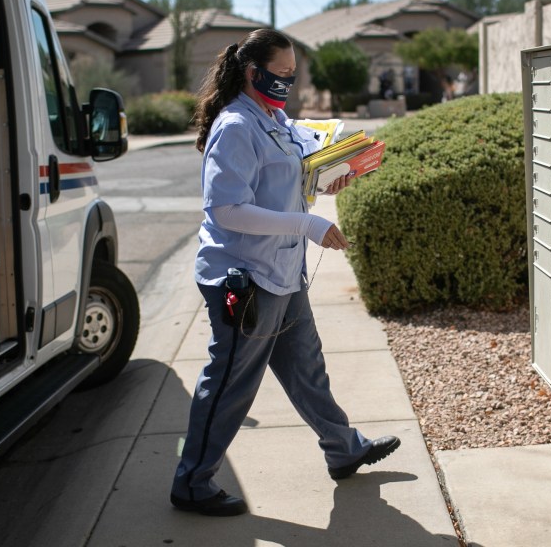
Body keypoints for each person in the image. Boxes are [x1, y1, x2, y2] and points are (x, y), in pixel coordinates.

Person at [170, 28, 401, 517]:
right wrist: (307, 224)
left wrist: (331, 176)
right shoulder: (236, 126)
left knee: (306, 369)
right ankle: (191, 482)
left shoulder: (275, 119)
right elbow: (226, 210)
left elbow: (288, 182)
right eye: (280, 73)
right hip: (246, 278)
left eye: (293, 74)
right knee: (230, 384)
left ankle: (343, 448)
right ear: (252, 72)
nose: (288, 83)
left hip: (282, 271)